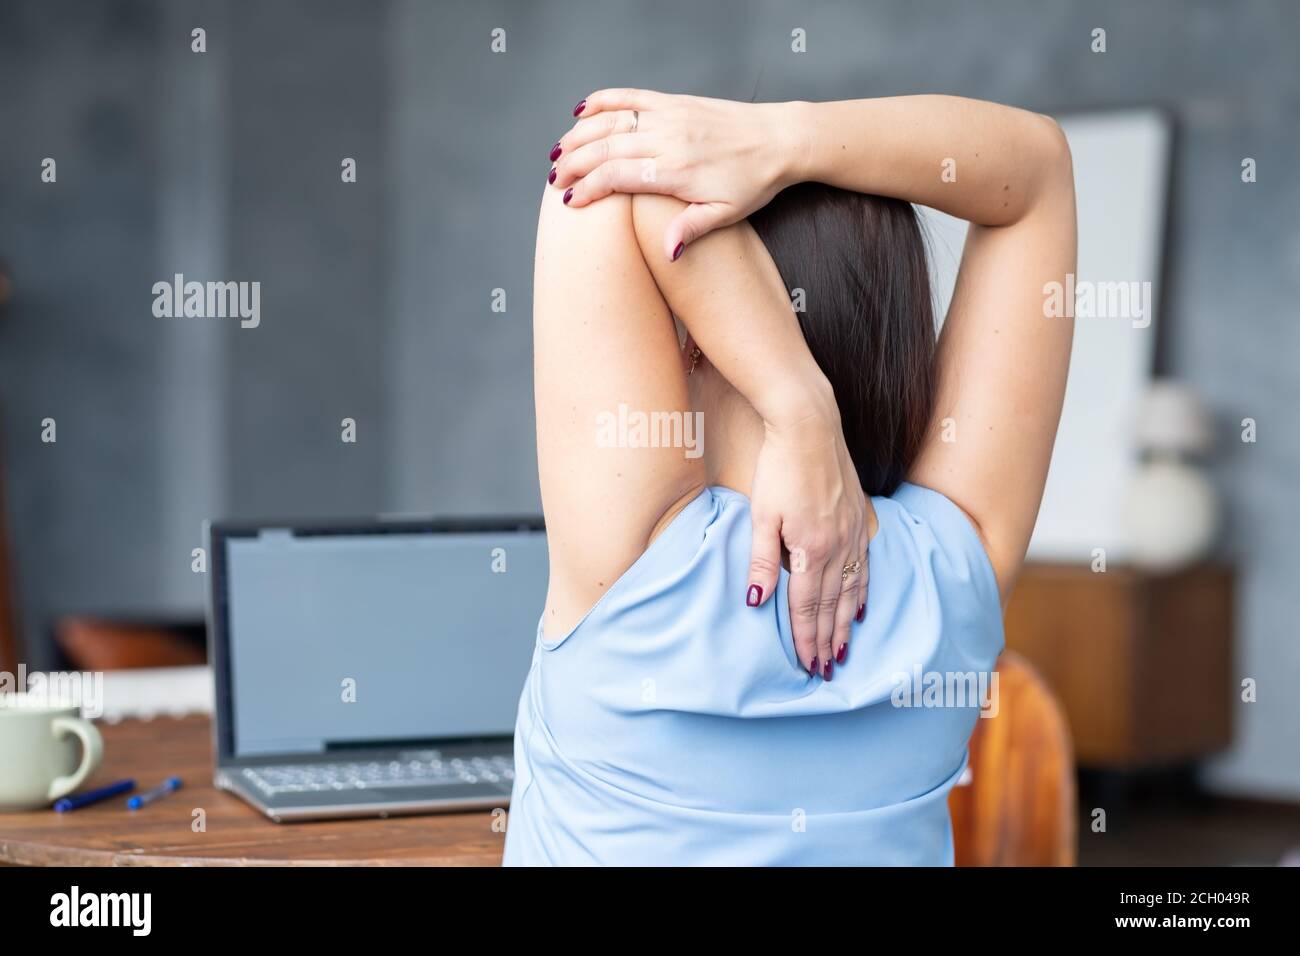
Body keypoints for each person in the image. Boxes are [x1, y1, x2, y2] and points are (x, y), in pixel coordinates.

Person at [503, 92, 1076, 865]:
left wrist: (797, 404)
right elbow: (1037, 168)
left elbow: (604, 160)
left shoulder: (633, 564)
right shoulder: (957, 571)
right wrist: (786, 141)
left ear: (699, 329)